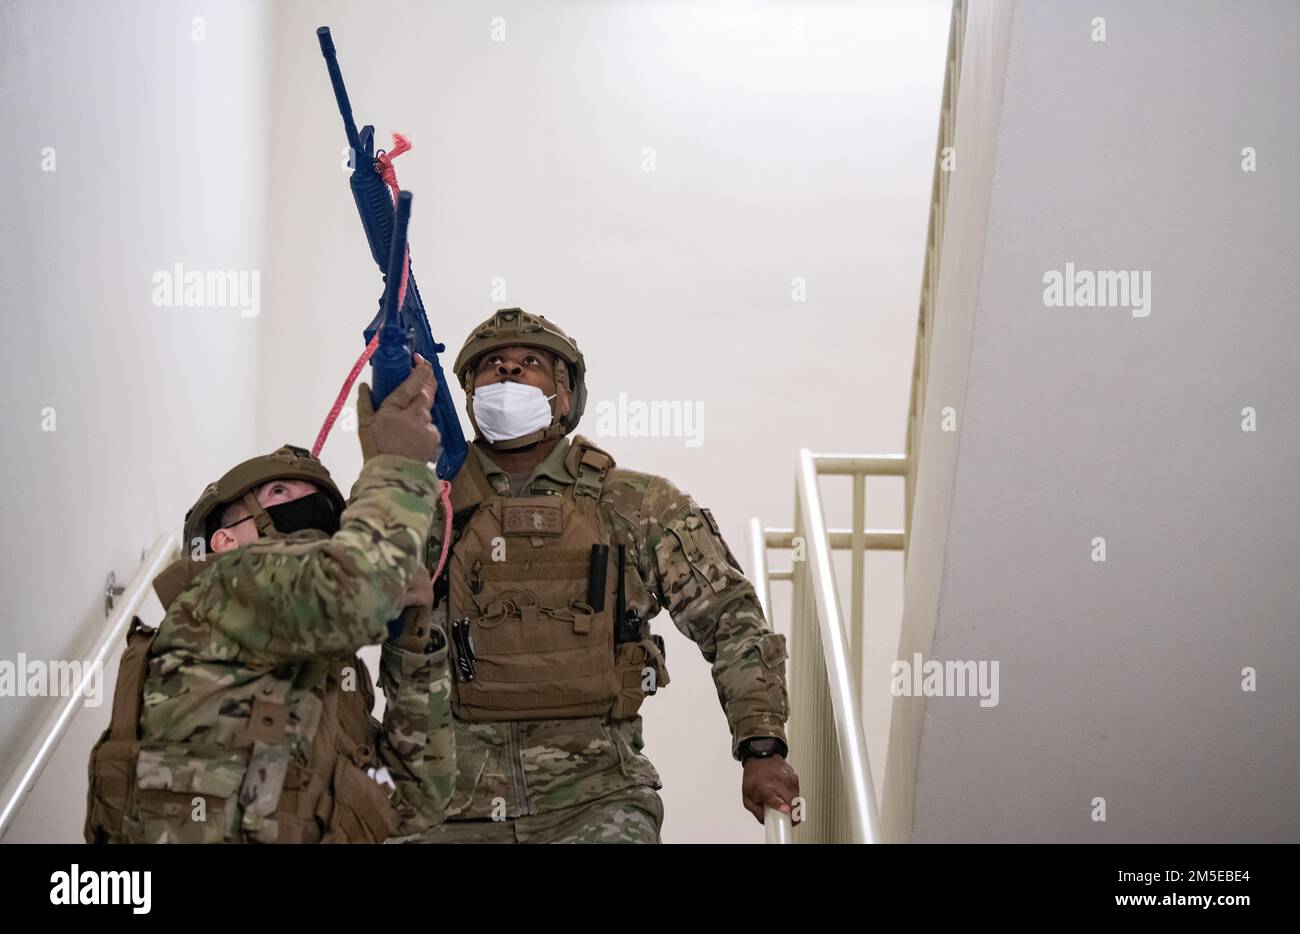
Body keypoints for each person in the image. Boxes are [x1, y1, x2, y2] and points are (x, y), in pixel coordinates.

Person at [411, 308, 798, 843]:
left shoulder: (635, 503)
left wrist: (761, 746)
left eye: (530, 363)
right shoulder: (424, 507)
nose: (508, 373)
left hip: (597, 801)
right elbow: (340, 612)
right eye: (490, 366)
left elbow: (730, 617)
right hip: (443, 808)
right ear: (469, 396)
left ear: (564, 396)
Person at [85, 360, 454, 843]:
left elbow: (415, 803)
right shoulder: (221, 590)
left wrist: (411, 640)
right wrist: (397, 464)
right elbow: (358, 591)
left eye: (320, 504)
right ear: (223, 541)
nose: (308, 508)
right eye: (280, 493)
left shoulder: (329, 673)